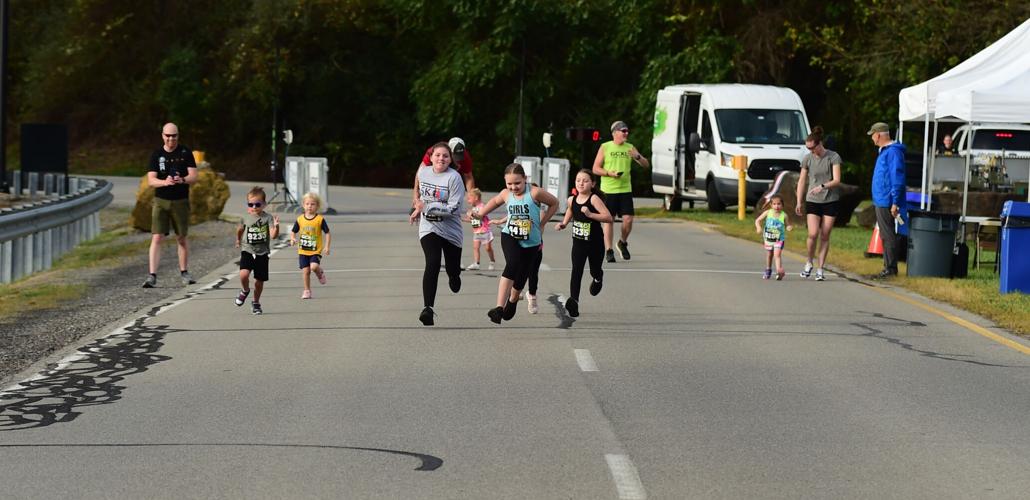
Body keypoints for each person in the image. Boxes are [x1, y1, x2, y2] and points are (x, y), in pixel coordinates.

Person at [473, 163, 558, 324]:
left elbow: (555, 203)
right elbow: (494, 201)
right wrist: (480, 214)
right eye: (509, 184)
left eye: (517, 183)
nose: (513, 187)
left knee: (522, 274)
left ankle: (512, 300)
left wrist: (542, 223)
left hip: (531, 240)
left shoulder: (535, 192)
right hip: (510, 234)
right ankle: (498, 308)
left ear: (525, 179)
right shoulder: (506, 194)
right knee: (512, 264)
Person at [409, 142, 466, 326]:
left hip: (451, 230)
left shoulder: (454, 178)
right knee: (432, 262)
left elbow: (454, 207)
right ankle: (428, 309)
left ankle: (454, 275)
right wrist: (418, 207)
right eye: (437, 155)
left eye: (445, 156)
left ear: (450, 160)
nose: (441, 158)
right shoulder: (423, 172)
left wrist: (427, 207)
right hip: (429, 227)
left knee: (452, 269)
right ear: (431, 157)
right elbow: (420, 196)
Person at [142, 122, 199, 288]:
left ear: (178, 136)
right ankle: (152, 275)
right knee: (157, 236)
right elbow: (151, 180)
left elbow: (194, 176)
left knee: (181, 237)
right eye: (168, 136)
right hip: (161, 200)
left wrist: (181, 179)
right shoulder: (156, 154)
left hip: (180, 200)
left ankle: (184, 272)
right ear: (162, 136)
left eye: (174, 136)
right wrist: (165, 182)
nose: (171, 139)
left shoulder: (185, 152)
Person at [554, 169, 612, 317]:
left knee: (595, 269)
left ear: (592, 183)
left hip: (595, 243)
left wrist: (590, 214)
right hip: (578, 243)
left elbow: (608, 217)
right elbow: (570, 210)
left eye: (585, 181)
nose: (581, 183)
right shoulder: (571, 199)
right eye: (578, 180)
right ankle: (574, 302)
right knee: (576, 271)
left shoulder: (593, 199)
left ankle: (598, 278)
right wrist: (564, 223)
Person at [592, 120, 650, 262]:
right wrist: (609, 173)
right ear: (615, 133)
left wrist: (637, 156)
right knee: (609, 220)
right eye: (623, 131)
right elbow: (595, 168)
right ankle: (609, 250)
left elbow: (646, 165)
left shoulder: (630, 147)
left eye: (627, 131)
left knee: (628, 219)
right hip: (608, 190)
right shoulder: (605, 147)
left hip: (625, 190)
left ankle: (622, 242)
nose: (626, 133)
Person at [795, 126, 842, 281]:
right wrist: (799, 201)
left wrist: (822, 186)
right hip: (813, 200)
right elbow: (802, 180)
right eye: (807, 148)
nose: (810, 151)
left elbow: (836, 180)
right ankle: (809, 262)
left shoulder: (833, 157)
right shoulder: (808, 159)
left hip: (830, 199)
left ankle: (821, 268)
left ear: (819, 144)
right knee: (812, 233)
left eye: (812, 148)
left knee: (825, 234)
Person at [868, 122, 907, 279]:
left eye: (872, 135)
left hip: (887, 200)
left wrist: (895, 201)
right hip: (882, 199)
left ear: (878, 135)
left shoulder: (892, 153)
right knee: (886, 234)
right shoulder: (885, 152)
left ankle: (890, 268)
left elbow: (896, 177)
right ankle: (888, 266)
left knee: (888, 234)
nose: (872, 139)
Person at [234, 187, 279, 314]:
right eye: (250, 204)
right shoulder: (245, 218)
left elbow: (273, 235)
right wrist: (238, 240)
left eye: (257, 204)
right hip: (247, 250)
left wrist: (277, 226)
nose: (254, 206)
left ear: (264, 204)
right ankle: (245, 290)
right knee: (243, 275)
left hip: (262, 253)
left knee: (259, 281)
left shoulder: (268, 218)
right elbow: (239, 230)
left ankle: (256, 302)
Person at [412, 137, 476, 210]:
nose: (456, 160)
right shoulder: (435, 151)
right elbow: (421, 171)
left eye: (459, 156)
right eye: (454, 156)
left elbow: (468, 177)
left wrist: (473, 199)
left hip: (448, 182)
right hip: (432, 177)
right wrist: (416, 193)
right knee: (420, 205)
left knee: (445, 205)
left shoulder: (464, 156)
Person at [289, 192, 332, 299]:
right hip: (303, 250)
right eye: (307, 204)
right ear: (303, 205)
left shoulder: (319, 219)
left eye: (312, 204)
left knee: (313, 266)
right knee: (306, 271)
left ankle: (319, 272)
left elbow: (327, 232)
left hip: (315, 250)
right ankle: (307, 290)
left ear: (317, 206)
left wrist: (327, 246)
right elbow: (293, 231)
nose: (310, 206)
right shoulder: (300, 219)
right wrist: (292, 238)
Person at [755, 194, 793, 280]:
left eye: (779, 204)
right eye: (774, 204)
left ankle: (779, 271)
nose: (777, 206)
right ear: (771, 205)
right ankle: (768, 269)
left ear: (782, 205)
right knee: (769, 255)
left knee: (777, 255)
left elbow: (788, 225)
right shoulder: (768, 213)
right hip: (768, 239)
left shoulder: (784, 215)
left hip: (779, 239)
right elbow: (757, 220)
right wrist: (758, 227)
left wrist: (789, 227)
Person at [462, 188, 498, 271]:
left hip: (485, 230)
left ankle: (492, 261)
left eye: (469, 198)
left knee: (488, 248)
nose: (468, 201)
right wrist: (463, 219)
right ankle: (476, 263)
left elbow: (480, 216)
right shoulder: (472, 209)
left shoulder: (482, 206)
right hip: (476, 231)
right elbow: (472, 219)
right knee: (475, 247)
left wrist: (473, 214)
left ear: (476, 198)